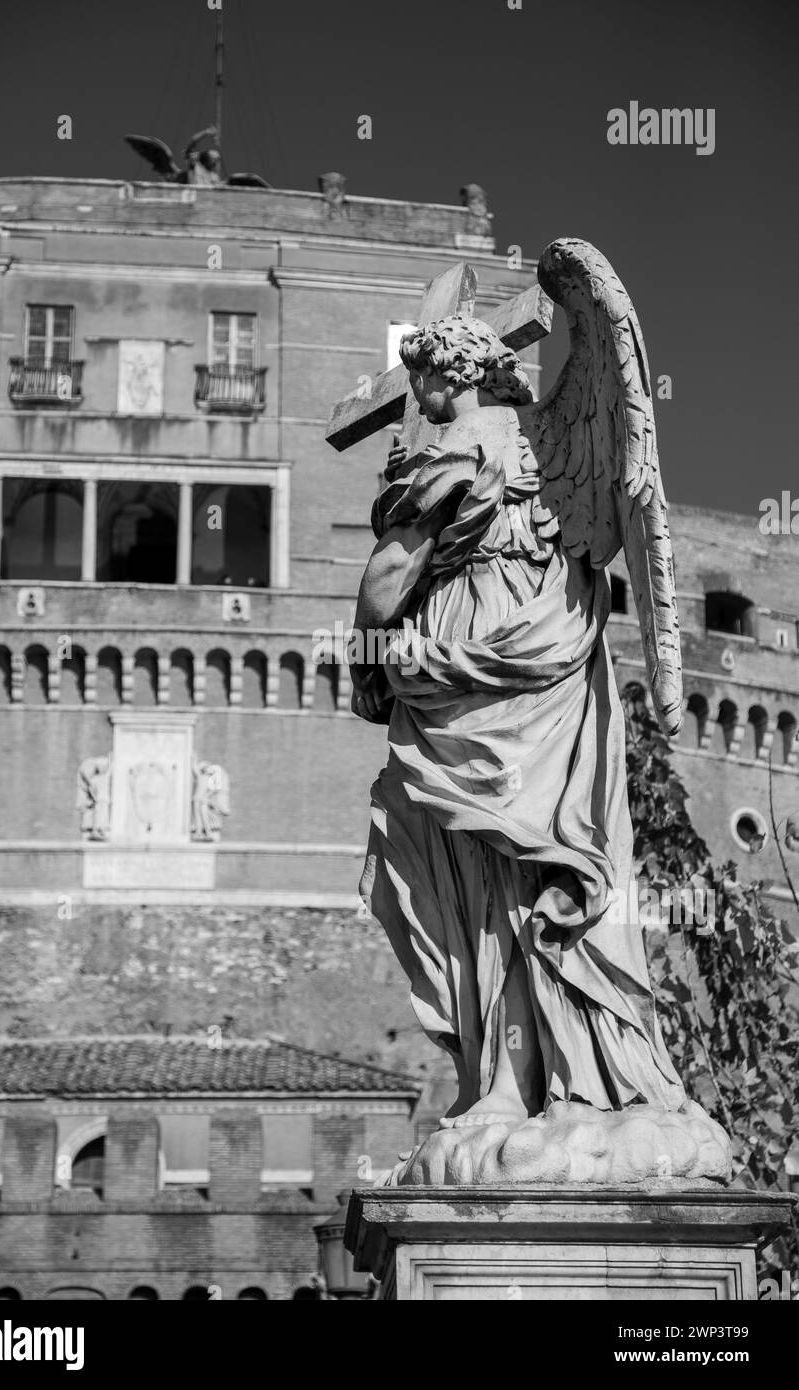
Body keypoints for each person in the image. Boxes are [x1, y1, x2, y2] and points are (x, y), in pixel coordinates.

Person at [350, 314, 684, 1129]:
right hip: (546, 656)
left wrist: (367, 663)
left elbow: (391, 576)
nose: (415, 393)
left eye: (421, 375)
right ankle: (564, 1068)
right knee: (533, 864)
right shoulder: (537, 436)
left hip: (473, 661)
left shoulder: (461, 442)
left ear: (449, 373)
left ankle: (504, 1081)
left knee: (485, 874)